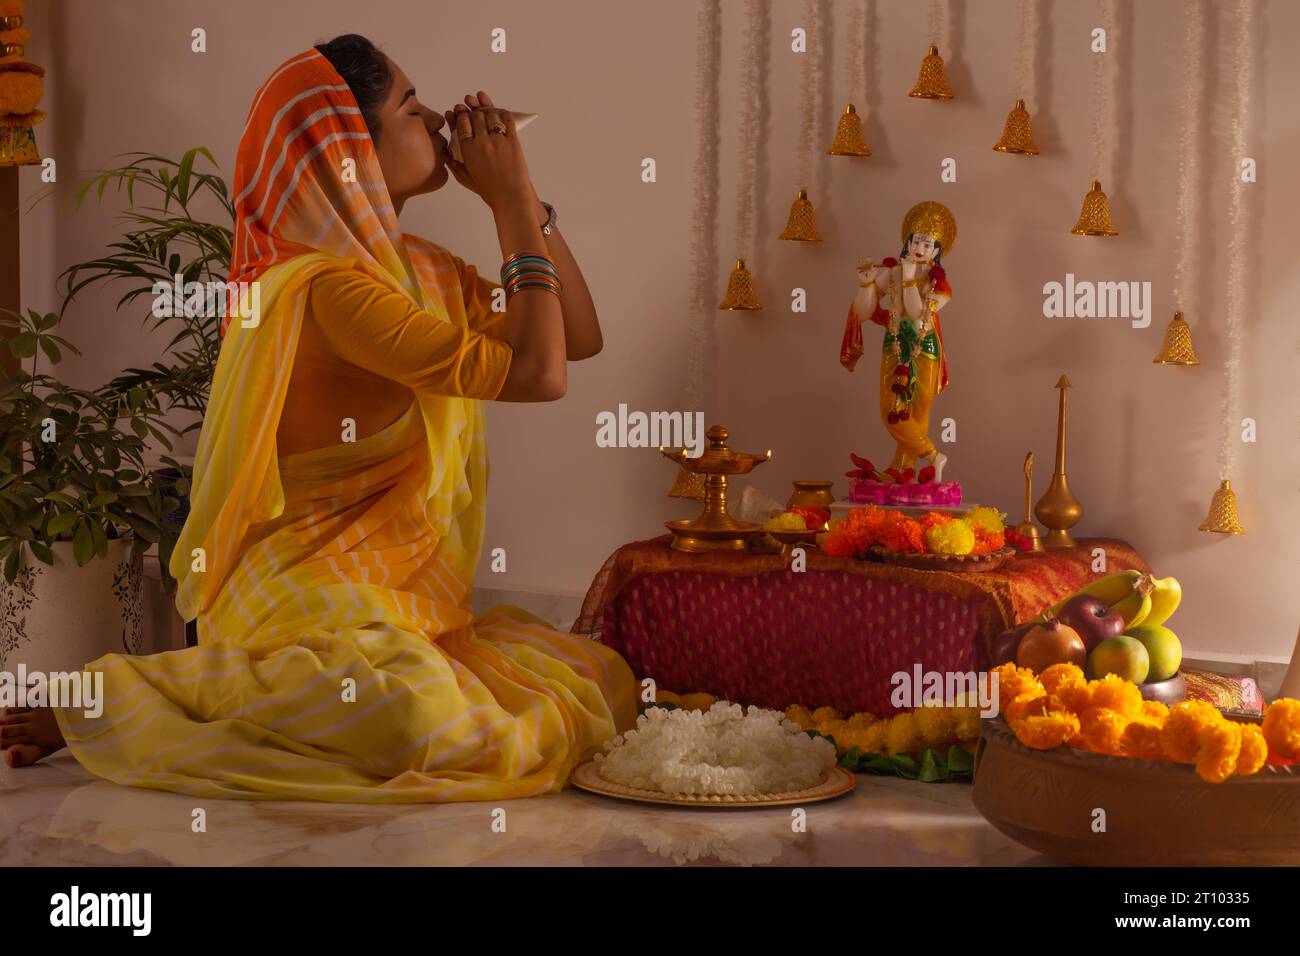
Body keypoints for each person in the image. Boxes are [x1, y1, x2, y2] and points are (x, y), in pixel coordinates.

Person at [0, 35, 639, 801]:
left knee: (599, 678)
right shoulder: (328, 290)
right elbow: (541, 376)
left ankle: (252, 692)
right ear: (349, 151)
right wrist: (507, 201)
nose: (437, 119)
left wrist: (527, 205)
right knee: (411, 713)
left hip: (395, 602)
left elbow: (576, 338)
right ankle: (126, 697)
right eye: (410, 107)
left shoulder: (423, 270)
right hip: (299, 596)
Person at [840, 201, 957, 479]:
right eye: (916, 240)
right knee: (890, 408)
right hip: (894, 343)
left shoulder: (937, 283)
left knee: (917, 412)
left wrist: (906, 277)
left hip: (924, 347)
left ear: (936, 252)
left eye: (928, 244)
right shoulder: (890, 273)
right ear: (907, 241)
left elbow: (918, 312)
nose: (920, 247)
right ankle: (933, 455)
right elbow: (864, 311)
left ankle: (901, 469)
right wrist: (867, 284)